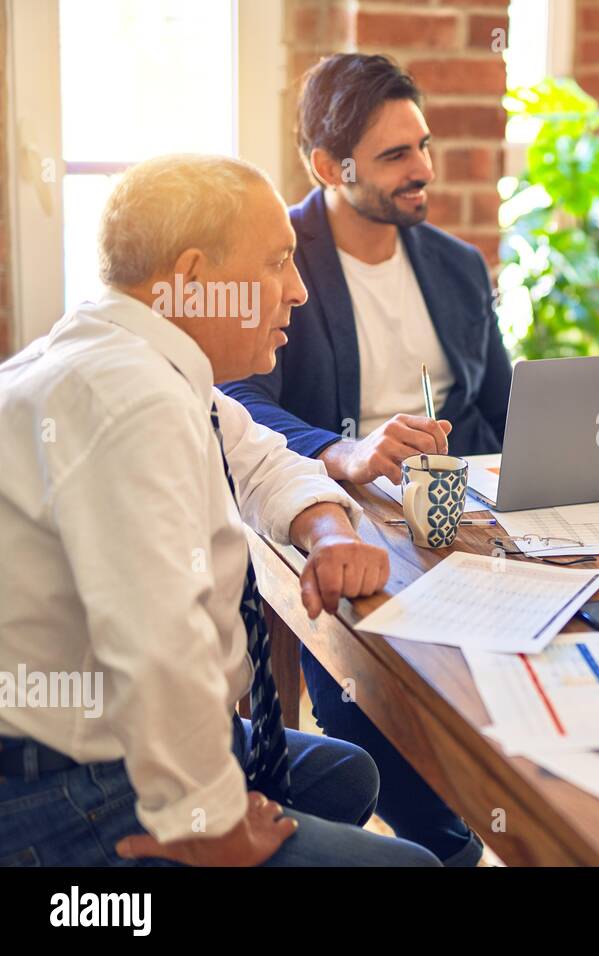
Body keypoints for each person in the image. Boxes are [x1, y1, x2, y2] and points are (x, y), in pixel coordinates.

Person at [0, 154, 438, 867]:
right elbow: (158, 643)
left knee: (348, 774)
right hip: (72, 782)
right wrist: (210, 822)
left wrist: (328, 533)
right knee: (409, 866)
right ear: (193, 278)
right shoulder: (130, 403)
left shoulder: (140, 363)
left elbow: (266, 461)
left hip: (108, 730)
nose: (297, 290)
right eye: (277, 263)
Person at [219, 53, 508, 866]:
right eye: (395, 155)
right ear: (328, 166)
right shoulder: (279, 255)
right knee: (370, 671)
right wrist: (344, 453)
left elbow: (500, 406)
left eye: (424, 145)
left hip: (457, 511)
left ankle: (506, 794)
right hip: (336, 507)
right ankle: (449, 845)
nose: (423, 170)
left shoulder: (456, 266)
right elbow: (234, 399)